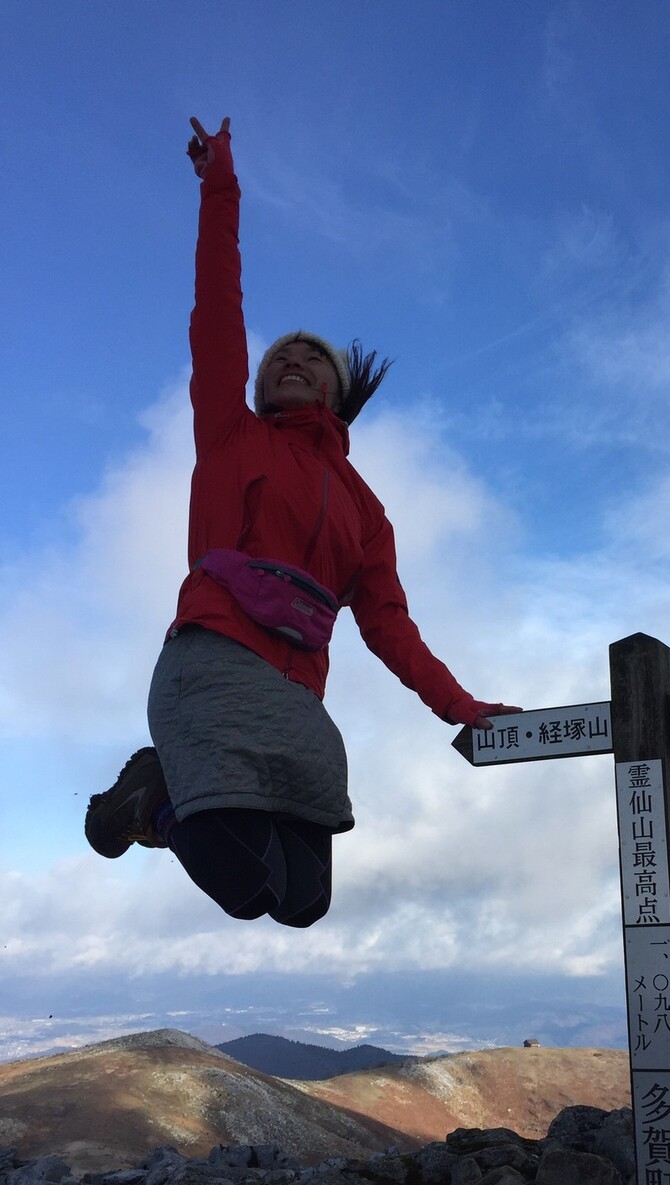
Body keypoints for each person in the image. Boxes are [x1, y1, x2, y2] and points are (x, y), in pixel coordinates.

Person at [85, 116, 519, 928]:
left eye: (311, 355)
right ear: (255, 381)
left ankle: (168, 788)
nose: (290, 358)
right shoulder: (229, 434)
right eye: (278, 353)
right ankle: (154, 799)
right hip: (214, 662)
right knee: (244, 889)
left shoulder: (365, 509)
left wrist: (462, 707)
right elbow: (215, 306)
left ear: (336, 388)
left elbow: (390, 628)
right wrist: (221, 187)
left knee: (303, 903)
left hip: (299, 697)